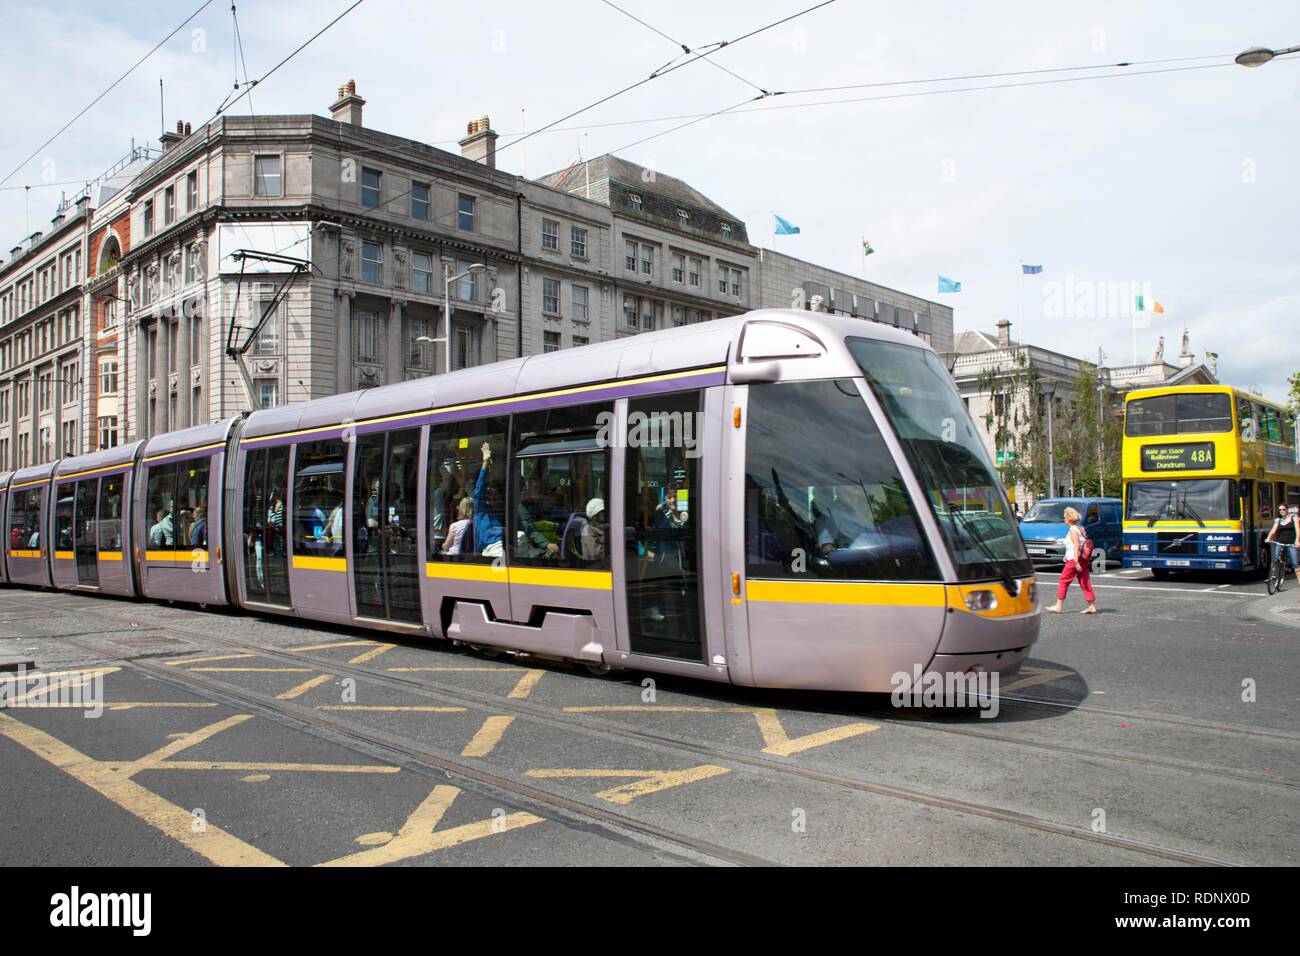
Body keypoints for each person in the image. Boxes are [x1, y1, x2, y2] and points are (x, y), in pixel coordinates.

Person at [1045, 506, 1096, 614]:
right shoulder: (1080, 528)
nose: (1064, 519)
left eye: (1064, 517)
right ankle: (1091, 606)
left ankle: (1058, 606)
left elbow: (1076, 545)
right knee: (1085, 581)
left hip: (1074, 559)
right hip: (1083, 559)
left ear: (1068, 519)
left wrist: (1076, 562)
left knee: (1063, 581)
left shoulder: (1073, 530)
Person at [474, 442, 506, 557]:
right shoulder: (482, 511)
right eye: (490, 498)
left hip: (509, 547)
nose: (492, 500)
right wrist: (485, 462)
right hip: (493, 550)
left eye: (496, 498)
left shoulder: (506, 513)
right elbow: (479, 490)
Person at [1265, 503, 1299, 589]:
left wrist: (1297, 541)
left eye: (1283, 509)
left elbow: (1298, 530)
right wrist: (1268, 538)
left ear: (1287, 510)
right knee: (1275, 559)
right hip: (1280, 542)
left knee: (1295, 563)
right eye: (1280, 510)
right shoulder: (1278, 520)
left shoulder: (1294, 518)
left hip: (1291, 543)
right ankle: (1273, 576)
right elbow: (1273, 530)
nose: (1282, 511)